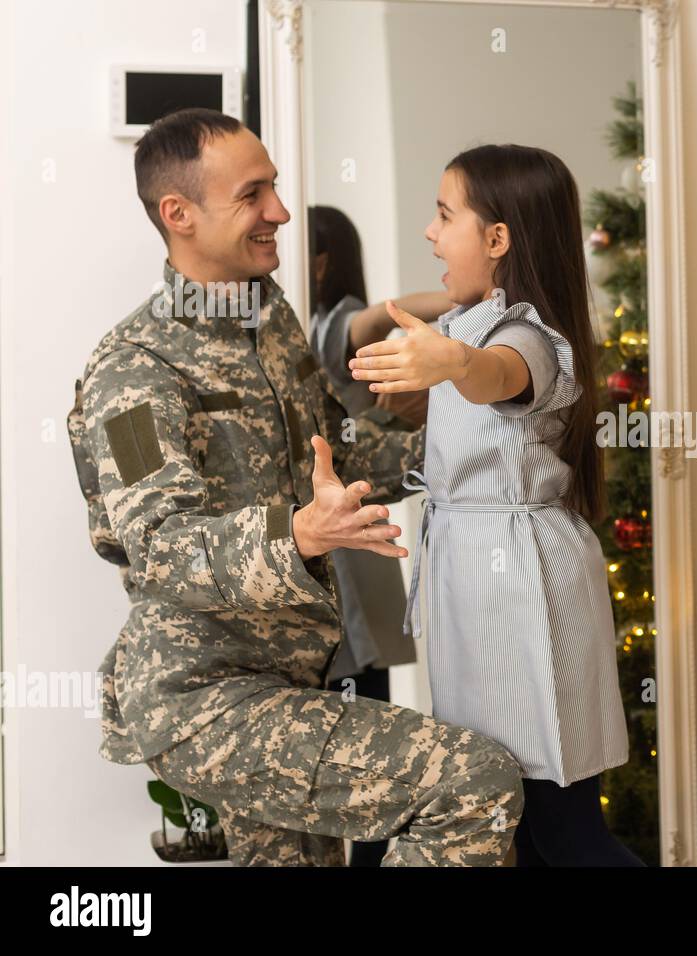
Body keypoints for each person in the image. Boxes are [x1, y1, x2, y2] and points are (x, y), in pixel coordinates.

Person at [66, 108, 522, 866]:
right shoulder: (132, 372)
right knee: (473, 782)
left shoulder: (267, 314)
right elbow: (162, 546)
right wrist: (302, 533)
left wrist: (478, 443)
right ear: (178, 214)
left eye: (274, 187)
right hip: (204, 697)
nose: (279, 211)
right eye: (253, 195)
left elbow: (336, 448)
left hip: (295, 675)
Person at [349, 144, 644, 866]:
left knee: (562, 823)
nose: (429, 231)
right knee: (502, 809)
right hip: (476, 583)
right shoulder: (468, 320)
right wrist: (438, 327)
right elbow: (374, 333)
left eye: (445, 215)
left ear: (497, 239)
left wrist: (451, 363)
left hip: (523, 586)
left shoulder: (528, 339)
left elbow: (496, 378)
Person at [306, 203, 453, 865]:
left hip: (351, 572)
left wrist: (462, 297)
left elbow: (380, 313)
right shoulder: (290, 327)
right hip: (333, 561)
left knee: (367, 755)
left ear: (321, 261)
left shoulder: (337, 323)